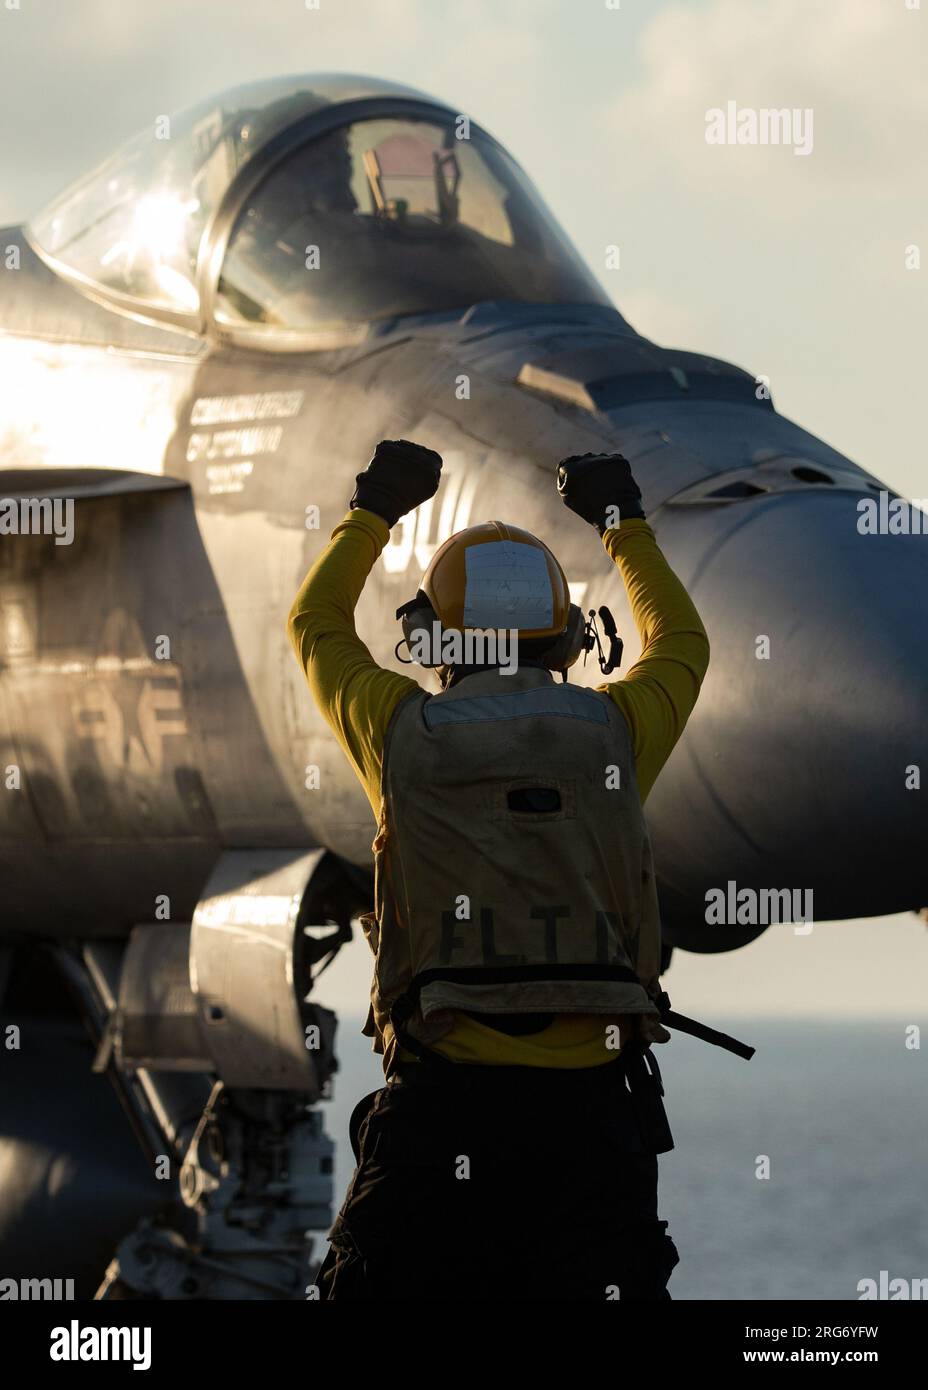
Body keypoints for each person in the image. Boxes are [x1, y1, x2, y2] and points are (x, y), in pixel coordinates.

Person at [287, 440, 710, 1300]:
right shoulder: (618, 732)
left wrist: (375, 509)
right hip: (596, 1127)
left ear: (433, 638)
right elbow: (683, 641)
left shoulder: (400, 734)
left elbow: (313, 623)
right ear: (566, 637)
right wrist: (619, 521)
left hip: (442, 1116)